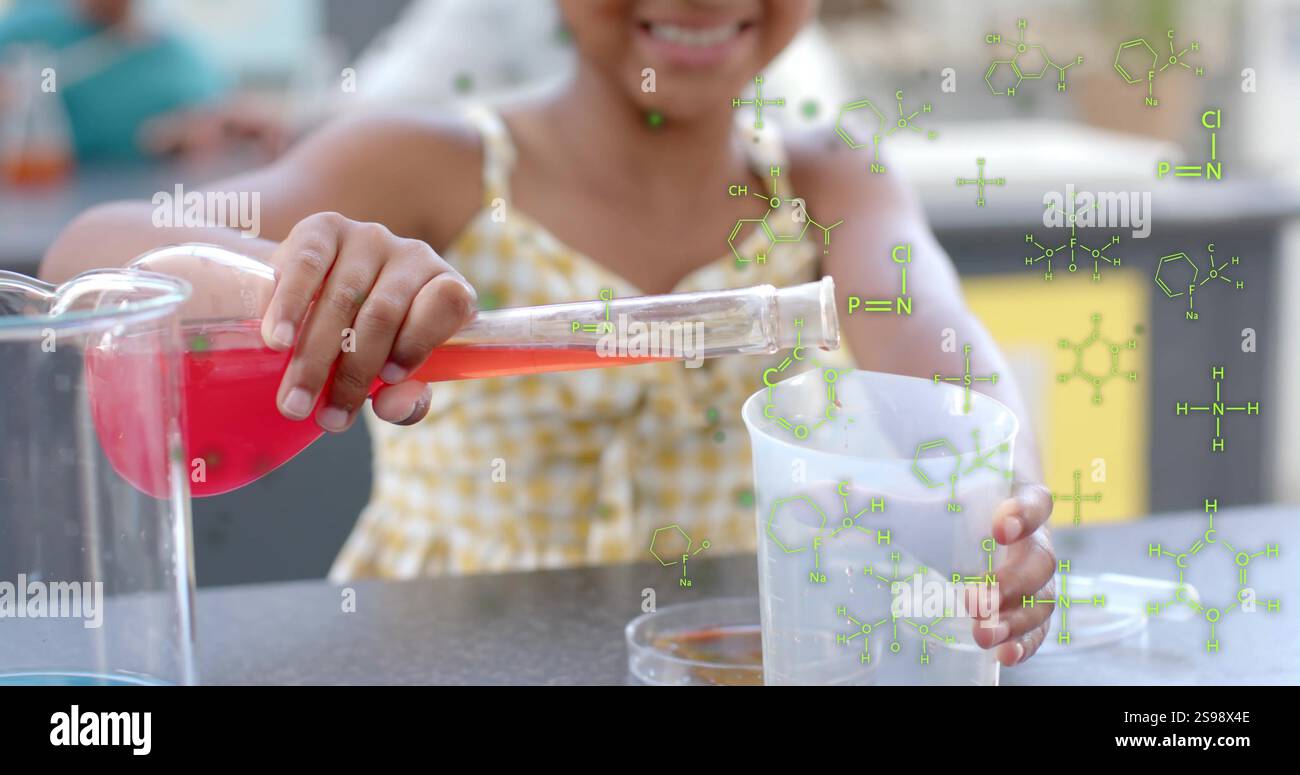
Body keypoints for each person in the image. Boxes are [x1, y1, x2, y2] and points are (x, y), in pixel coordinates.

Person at [43, 0, 1059, 666]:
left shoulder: (836, 180)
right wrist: (297, 274)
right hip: (437, 660)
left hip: (718, 660)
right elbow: (86, 259)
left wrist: (999, 508)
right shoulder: (427, 161)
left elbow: (956, 376)